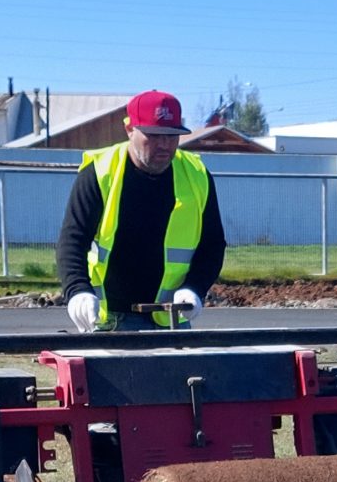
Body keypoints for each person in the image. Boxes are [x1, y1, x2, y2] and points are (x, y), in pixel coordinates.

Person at [55, 90, 227, 331]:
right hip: (110, 318)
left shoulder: (196, 175)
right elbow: (72, 241)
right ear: (129, 130)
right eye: (154, 135)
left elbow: (213, 245)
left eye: (171, 136)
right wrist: (77, 291)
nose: (164, 145)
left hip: (171, 319)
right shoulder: (100, 172)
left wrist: (194, 288)